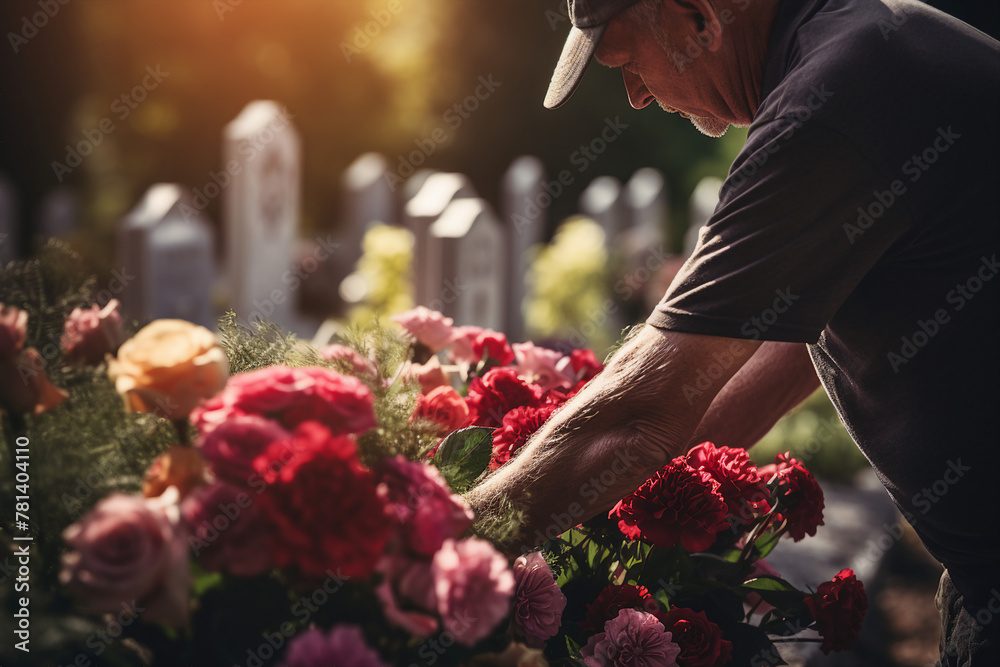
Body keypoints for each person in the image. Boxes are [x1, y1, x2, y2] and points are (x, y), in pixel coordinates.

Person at [466, 0, 1000, 663]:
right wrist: (603, 514)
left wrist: (449, 540)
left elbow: (643, 410)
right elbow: (748, 377)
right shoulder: (860, 46)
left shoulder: (836, 97)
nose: (632, 96)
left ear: (699, 16)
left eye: (628, 60)